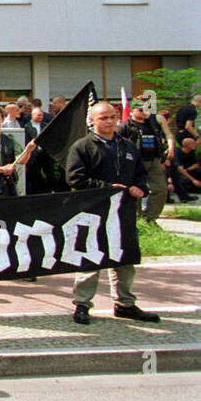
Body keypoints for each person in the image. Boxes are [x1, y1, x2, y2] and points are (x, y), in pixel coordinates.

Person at [66, 102, 155, 325]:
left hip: (123, 212)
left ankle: (125, 304)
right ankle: (82, 304)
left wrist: (140, 188)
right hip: (92, 212)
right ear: (93, 121)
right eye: (103, 118)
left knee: (124, 258)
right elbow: (75, 179)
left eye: (112, 117)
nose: (109, 121)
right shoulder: (82, 146)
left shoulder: (128, 146)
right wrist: (107, 187)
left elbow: (141, 175)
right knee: (90, 257)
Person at [118, 98, 170, 223]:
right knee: (136, 190)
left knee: (161, 189)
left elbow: (161, 139)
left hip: (154, 160)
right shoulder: (126, 126)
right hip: (135, 162)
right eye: (140, 110)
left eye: (146, 110)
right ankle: (136, 219)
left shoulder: (152, 124)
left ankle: (150, 219)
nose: (143, 113)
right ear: (133, 110)